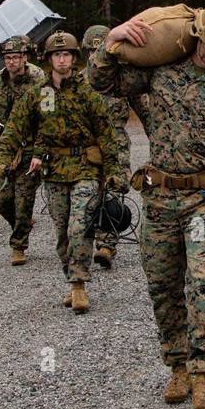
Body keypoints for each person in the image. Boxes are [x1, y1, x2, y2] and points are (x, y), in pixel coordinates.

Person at [90, 2, 205, 409]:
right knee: (164, 285)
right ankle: (177, 365)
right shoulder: (159, 72)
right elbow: (101, 82)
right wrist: (112, 39)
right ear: (196, 37)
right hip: (159, 198)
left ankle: (204, 374)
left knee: (204, 281)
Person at [0, 32, 126, 313]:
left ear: (74, 58)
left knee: (81, 226)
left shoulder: (87, 93)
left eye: (66, 54)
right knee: (63, 232)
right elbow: (15, 128)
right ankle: (72, 279)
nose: (62, 59)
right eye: (57, 55)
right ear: (49, 59)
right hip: (53, 172)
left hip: (85, 170)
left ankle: (79, 286)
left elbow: (106, 134)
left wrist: (114, 171)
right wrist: (3, 158)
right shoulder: (38, 94)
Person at [0, 35, 47, 265]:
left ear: (25, 57)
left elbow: (49, 116)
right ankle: (22, 225)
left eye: (15, 57)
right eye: (7, 58)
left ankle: (18, 246)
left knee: (23, 200)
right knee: (1, 200)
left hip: (30, 147)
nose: (11, 62)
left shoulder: (39, 79)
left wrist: (41, 150)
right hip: (6, 148)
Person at [79, 25, 134, 269]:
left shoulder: (122, 79)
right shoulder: (78, 81)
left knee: (114, 190)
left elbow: (146, 110)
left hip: (116, 144)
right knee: (88, 194)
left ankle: (107, 245)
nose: (95, 56)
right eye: (92, 51)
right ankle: (84, 242)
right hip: (86, 146)